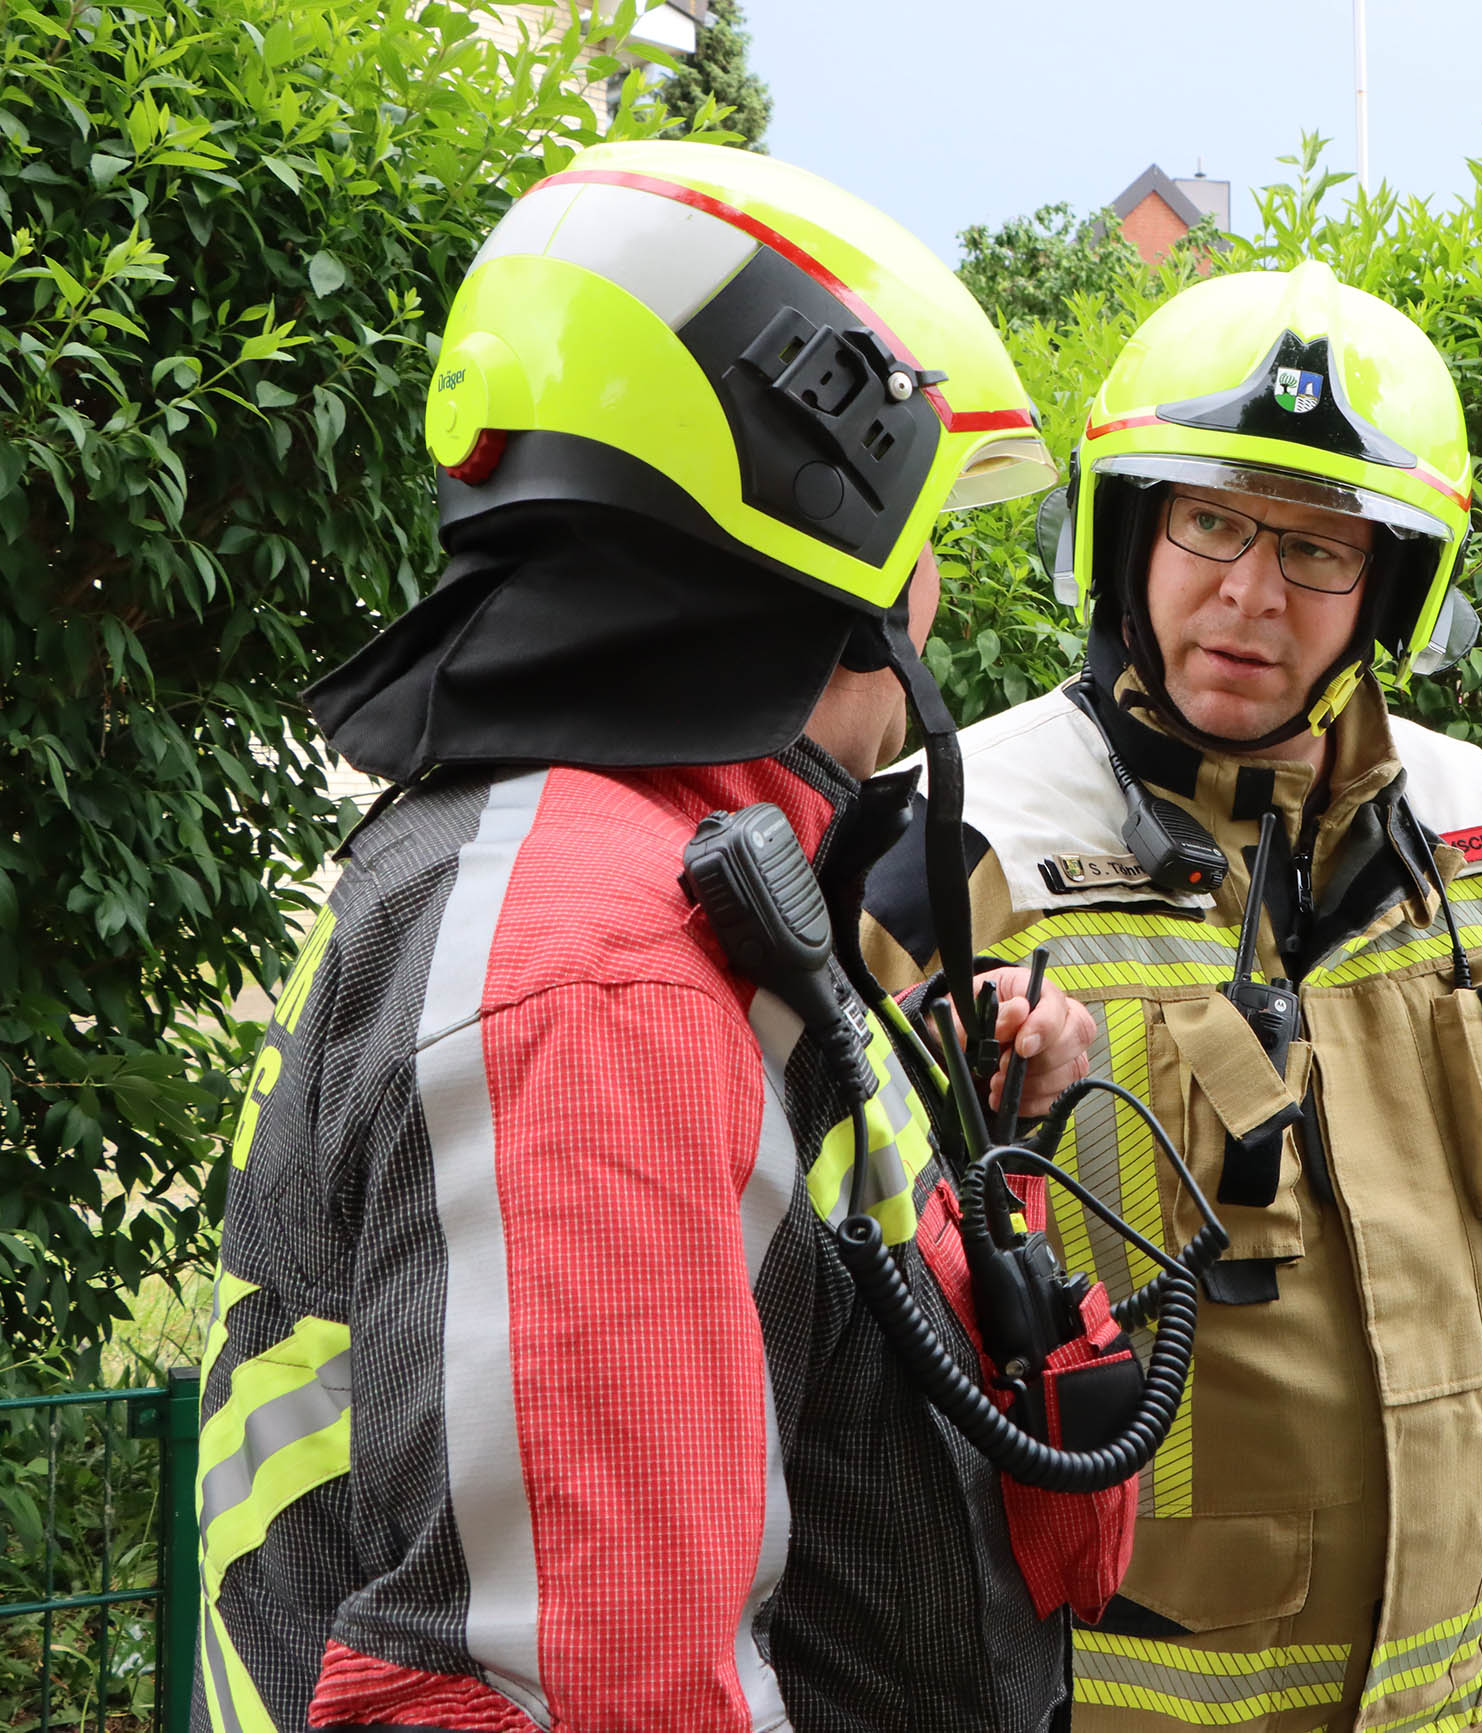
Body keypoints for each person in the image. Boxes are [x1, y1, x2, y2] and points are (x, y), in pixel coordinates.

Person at [197, 142, 1102, 1733]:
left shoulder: (643, 872)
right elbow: (590, 1682)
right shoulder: (606, 970)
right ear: (833, 501)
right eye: (930, 515)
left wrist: (987, 1142)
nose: (940, 582)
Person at [859, 260, 1482, 1731]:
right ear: (1127, 528)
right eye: (1210, 521)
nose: (1250, 594)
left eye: (1321, 549)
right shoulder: (948, 851)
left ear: (1388, 585)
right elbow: (836, 1319)